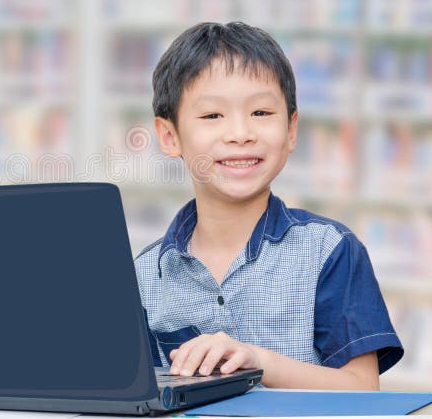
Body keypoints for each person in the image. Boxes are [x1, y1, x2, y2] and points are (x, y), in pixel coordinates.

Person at [135, 21, 403, 390]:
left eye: (260, 113)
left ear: (291, 130)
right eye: (212, 116)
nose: (240, 134)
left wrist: (260, 362)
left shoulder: (329, 251)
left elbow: (362, 388)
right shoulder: (146, 275)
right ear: (169, 136)